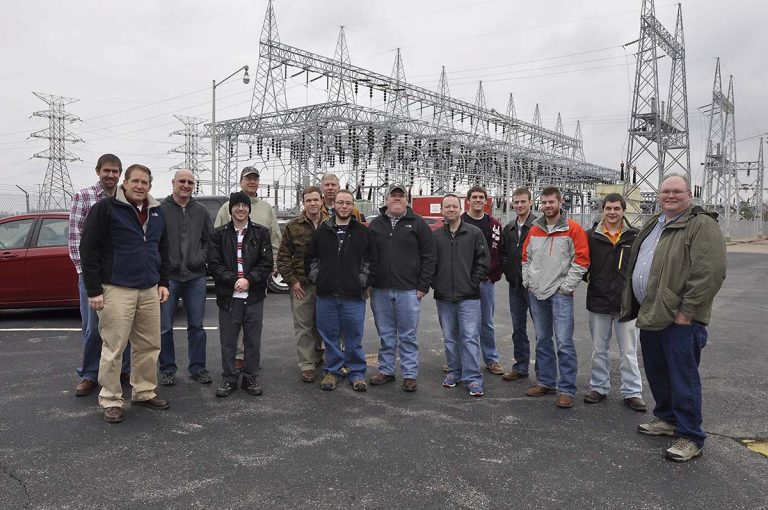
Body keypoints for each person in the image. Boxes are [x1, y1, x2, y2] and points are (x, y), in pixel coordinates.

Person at [622, 174, 726, 462]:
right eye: (665, 191)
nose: (670, 196)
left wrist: (687, 312)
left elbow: (710, 273)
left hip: (680, 319)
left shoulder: (701, 224)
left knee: (683, 377)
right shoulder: (655, 223)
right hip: (652, 312)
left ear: (689, 194)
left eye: (677, 191)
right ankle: (666, 419)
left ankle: (691, 436)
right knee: (657, 371)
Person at [80, 164, 171, 423]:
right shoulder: (105, 209)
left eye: (145, 182)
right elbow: (89, 250)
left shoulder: (157, 212)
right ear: (125, 183)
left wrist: (163, 282)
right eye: (135, 181)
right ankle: (110, 399)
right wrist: (94, 289)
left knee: (149, 345)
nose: (140, 186)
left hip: (149, 289)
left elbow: (162, 249)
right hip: (116, 289)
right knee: (114, 347)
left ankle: (143, 391)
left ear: (150, 186)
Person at [68, 154, 131, 396]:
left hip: (119, 276)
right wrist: (87, 277)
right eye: (107, 171)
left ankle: (124, 370)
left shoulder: (124, 198)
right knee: (93, 328)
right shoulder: (84, 197)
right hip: (92, 276)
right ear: (98, 171)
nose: (111, 175)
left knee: (122, 325)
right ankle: (89, 374)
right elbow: (75, 240)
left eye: (115, 171)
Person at [522, 186, 589, 409]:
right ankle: (546, 382)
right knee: (542, 339)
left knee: (564, 342)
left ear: (560, 203)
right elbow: (525, 258)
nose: (548, 206)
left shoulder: (573, 229)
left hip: (560, 294)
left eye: (552, 202)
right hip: (537, 292)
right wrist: (529, 282)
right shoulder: (535, 230)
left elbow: (581, 261)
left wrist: (566, 287)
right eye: (544, 202)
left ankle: (567, 389)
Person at [306, 189, 376, 392]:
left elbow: (371, 261)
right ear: (333, 205)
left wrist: (360, 281)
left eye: (347, 203)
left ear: (352, 206)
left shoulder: (363, 232)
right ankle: (333, 371)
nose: (344, 206)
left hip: (353, 296)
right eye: (340, 203)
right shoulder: (322, 231)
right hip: (326, 295)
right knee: (330, 336)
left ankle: (357, 373)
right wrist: (318, 278)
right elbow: (310, 259)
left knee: (354, 336)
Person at [368, 183, 436, 392]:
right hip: (380, 289)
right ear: (386, 199)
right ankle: (386, 370)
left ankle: (409, 374)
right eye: (393, 196)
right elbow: (367, 255)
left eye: (401, 196)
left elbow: (429, 255)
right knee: (386, 332)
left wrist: (423, 284)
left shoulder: (418, 224)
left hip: (408, 289)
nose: (397, 199)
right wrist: (369, 282)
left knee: (407, 334)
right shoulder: (376, 224)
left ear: (407, 200)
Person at [583, 193, 646, 411]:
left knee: (628, 351)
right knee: (599, 349)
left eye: (616, 209)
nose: (612, 212)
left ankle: (633, 392)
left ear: (623, 210)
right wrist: (591, 279)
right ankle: (598, 387)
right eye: (608, 208)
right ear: (603, 210)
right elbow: (582, 263)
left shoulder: (635, 237)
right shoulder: (591, 236)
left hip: (626, 303)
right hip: (598, 300)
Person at [214, 166, 281, 369]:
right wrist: (229, 277)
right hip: (231, 278)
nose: (252, 182)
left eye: (255, 179)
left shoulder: (266, 208)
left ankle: (251, 362)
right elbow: (218, 239)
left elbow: (274, 237)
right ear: (241, 181)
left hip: (255, 276)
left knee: (253, 324)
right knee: (232, 325)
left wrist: (274, 263)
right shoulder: (227, 207)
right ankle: (237, 358)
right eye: (248, 179)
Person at [208, 192, 273, 398]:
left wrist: (249, 280)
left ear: (249, 209)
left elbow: (266, 263)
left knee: (252, 340)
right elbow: (214, 264)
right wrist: (232, 280)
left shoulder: (261, 233)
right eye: (237, 206)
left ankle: (250, 377)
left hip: (253, 295)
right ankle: (229, 378)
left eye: (244, 205)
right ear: (231, 209)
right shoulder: (218, 234)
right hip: (228, 296)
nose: (241, 209)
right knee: (228, 340)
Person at [158, 169, 214, 387]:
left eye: (190, 182)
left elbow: (210, 241)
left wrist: (200, 259)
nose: (186, 185)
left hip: (195, 277)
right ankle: (167, 369)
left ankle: (198, 368)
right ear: (173, 182)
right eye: (182, 181)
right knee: (164, 327)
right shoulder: (161, 209)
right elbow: (154, 241)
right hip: (168, 278)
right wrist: (164, 265)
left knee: (197, 326)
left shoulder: (200, 211)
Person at [433, 194, 489, 397]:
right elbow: (430, 263)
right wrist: (435, 283)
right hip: (444, 297)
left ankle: (473, 378)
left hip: (469, 297)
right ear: (442, 210)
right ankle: (454, 372)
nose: (450, 209)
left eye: (454, 206)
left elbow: (483, 261)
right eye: (446, 206)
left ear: (460, 208)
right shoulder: (437, 236)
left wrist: (472, 283)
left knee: (469, 338)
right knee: (449, 338)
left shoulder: (473, 233)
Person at [276, 186, 328, 383]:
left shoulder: (330, 224)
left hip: (326, 285)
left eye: (316, 199)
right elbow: (282, 258)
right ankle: (307, 365)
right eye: (308, 200)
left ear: (322, 201)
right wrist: (292, 281)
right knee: (303, 326)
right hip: (302, 286)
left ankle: (319, 354)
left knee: (324, 326)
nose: (312, 203)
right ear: (303, 203)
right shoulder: (293, 226)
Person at [461, 185, 504, 375]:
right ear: (468, 200)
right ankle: (457, 359)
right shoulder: (459, 221)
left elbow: (501, 253)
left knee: (486, 322)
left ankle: (491, 359)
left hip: (485, 282)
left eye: (481, 197)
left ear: (486, 200)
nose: (478, 200)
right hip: (463, 281)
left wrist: (494, 274)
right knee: (461, 323)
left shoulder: (494, 225)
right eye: (474, 197)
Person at [499, 187, 537, 382]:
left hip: (535, 288)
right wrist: (508, 270)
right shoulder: (509, 228)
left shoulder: (538, 226)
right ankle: (520, 366)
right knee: (518, 328)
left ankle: (543, 373)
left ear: (531, 202)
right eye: (516, 202)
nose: (519, 205)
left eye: (523, 201)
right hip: (515, 286)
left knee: (541, 330)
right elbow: (503, 253)